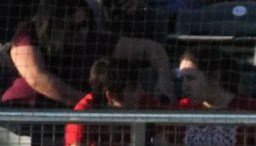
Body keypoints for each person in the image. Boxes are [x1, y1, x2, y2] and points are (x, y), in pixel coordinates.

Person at [4, 0, 168, 110]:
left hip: (77, 114)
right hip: (28, 112)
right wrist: (89, 104)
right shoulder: (28, 35)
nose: (83, 31)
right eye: (74, 27)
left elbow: (152, 49)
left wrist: (164, 82)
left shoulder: (94, 40)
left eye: (85, 24)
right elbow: (37, 77)